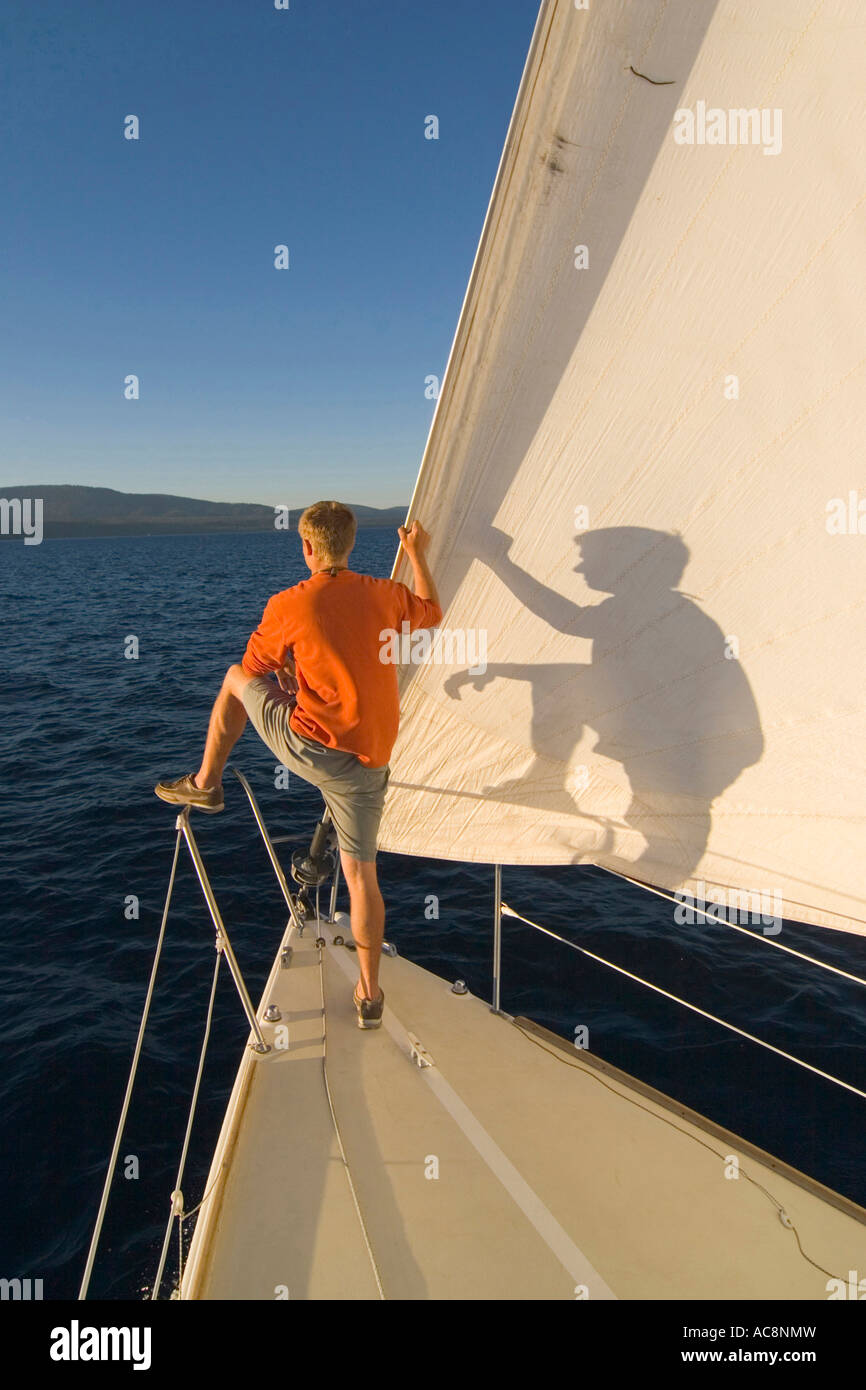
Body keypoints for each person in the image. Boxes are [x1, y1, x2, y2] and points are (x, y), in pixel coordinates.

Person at [155, 501, 442, 1029]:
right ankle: (369, 994)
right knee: (361, 877)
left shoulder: (290, 604)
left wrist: (288, 668)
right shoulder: (386, 595)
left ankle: (206, 783)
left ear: (307, 547)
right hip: (371, 761)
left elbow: (254, 667)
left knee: (233, 678)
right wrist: (415, 552)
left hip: (315, 751)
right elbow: (431, 609)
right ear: (351, 544)